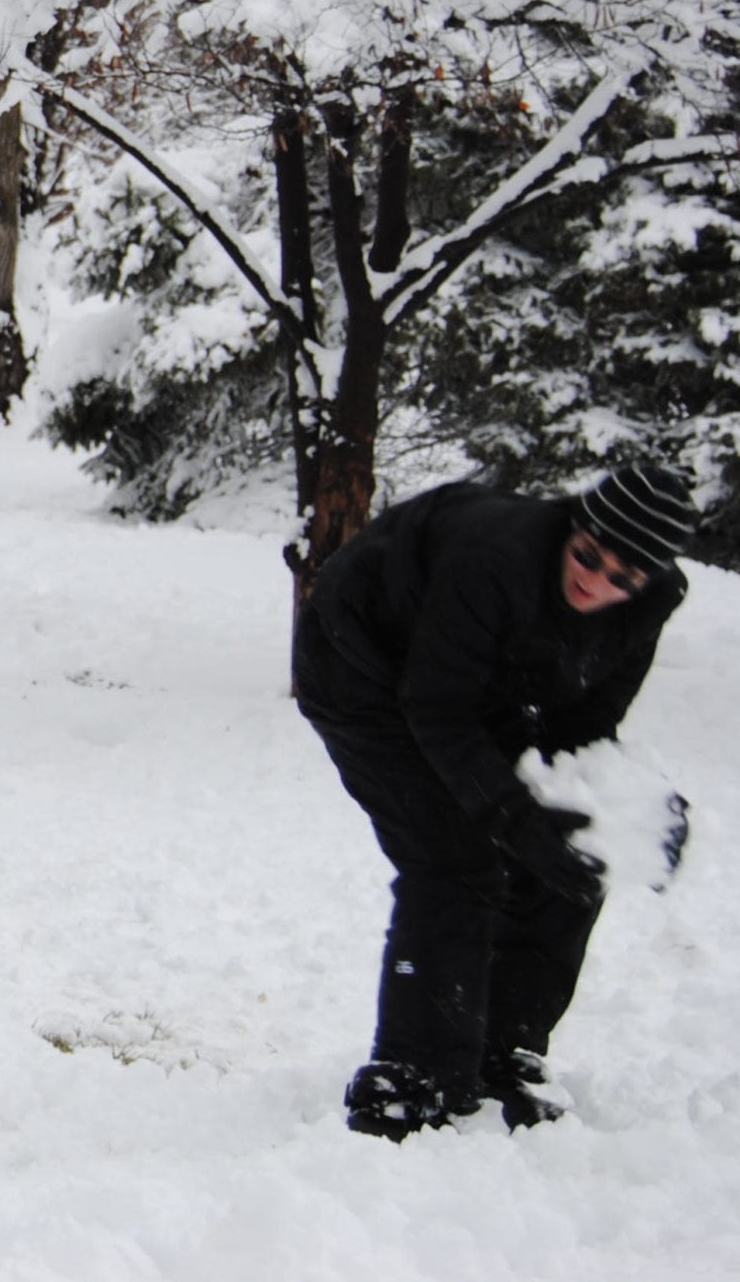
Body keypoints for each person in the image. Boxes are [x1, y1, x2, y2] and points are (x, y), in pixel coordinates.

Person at [295, 462, 697, 1138]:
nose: (596, 582)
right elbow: (436, 709)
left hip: (476, 685)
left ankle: (505, 1053)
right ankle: (410, 1077)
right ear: (576, 525)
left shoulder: (644, 610)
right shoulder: (496, 558)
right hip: (358, 663)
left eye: (622, 579)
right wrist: (510, 815)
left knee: (569, 852)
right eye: (590, 556)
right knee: (454, 859)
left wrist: (629, 810)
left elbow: (583, 731)